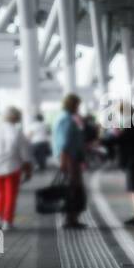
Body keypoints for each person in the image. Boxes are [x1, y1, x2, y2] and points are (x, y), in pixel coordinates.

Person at [0, 107, 33, 231]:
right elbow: (25, 154)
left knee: (0, 194)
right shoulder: (17, 132)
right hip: (12, 168)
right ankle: (7, 222)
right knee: (11, 195)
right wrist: (28, 170)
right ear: (16, 118)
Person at [52, 93, 87, 229]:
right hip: (69, 159)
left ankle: (72, 218)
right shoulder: (66, 119)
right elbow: (64, 143)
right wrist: (63, 162)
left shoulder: (65, 118)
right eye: (78, 104)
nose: (79, 107)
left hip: (70, 158)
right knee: (72, 188)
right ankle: (70, 219)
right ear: (72, 104)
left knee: (72, 188)